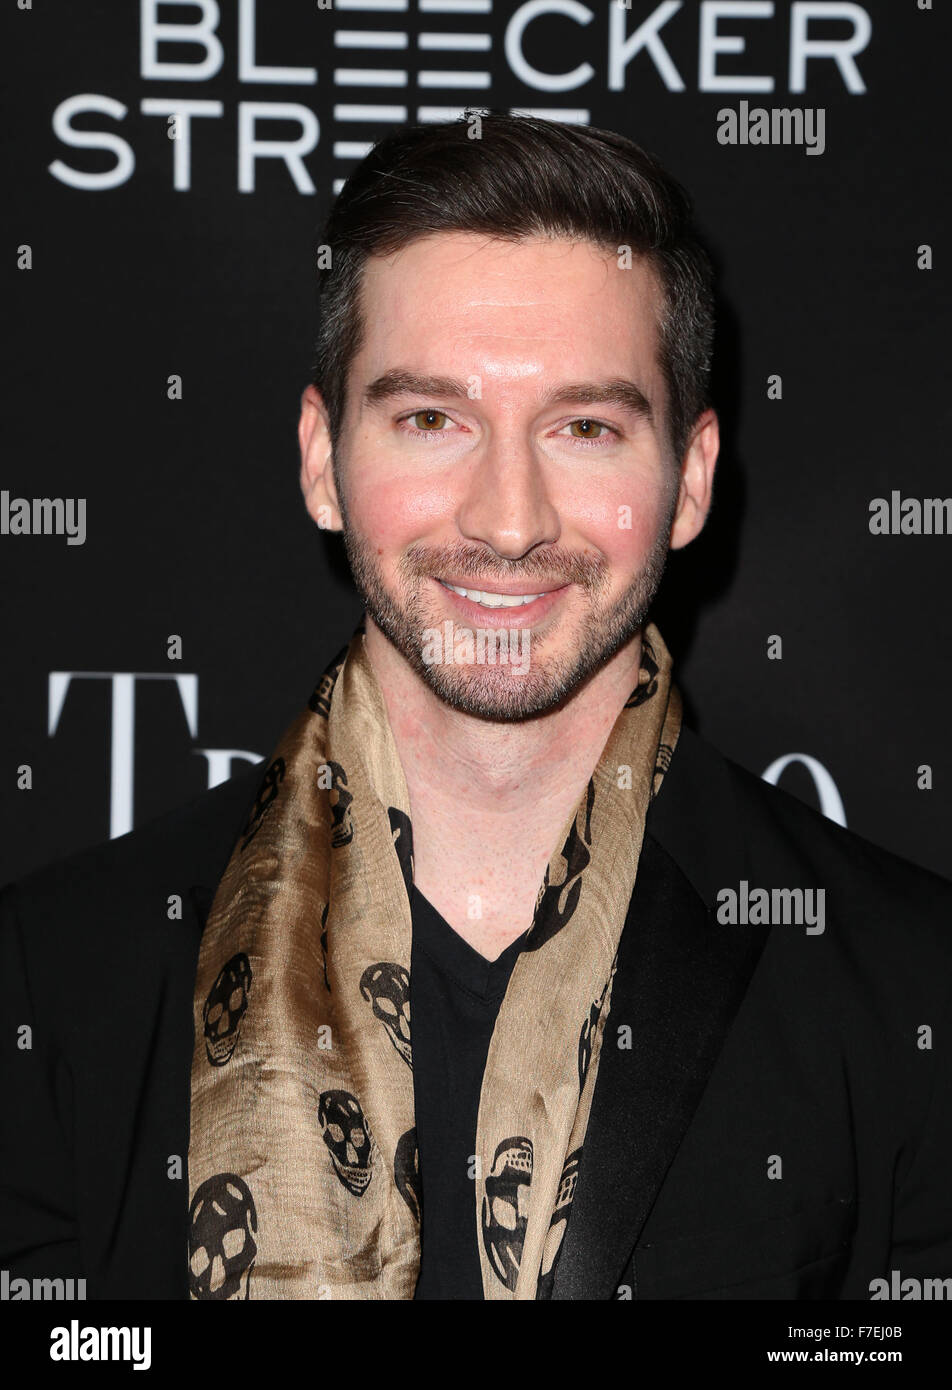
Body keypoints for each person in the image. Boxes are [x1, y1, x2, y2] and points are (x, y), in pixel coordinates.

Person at [2, 112, 950, 1303]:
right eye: (431, 420)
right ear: (320, 458)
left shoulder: (907, 990)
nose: (508, 520)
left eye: (586, 428)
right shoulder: (57, 982)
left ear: (691, 479)